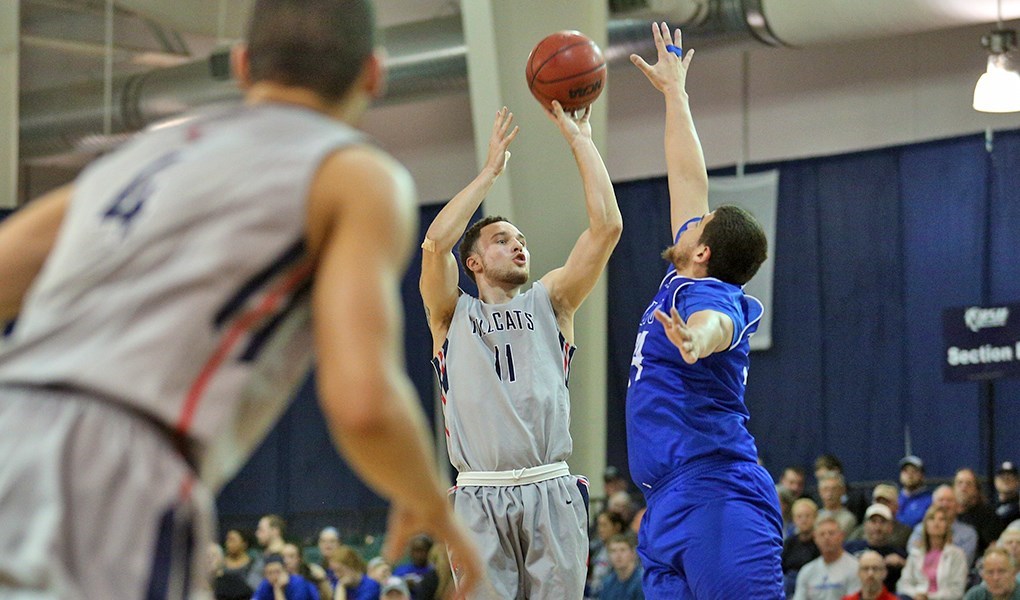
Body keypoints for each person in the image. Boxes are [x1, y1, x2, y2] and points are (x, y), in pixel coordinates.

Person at [0, 1, 482, 597]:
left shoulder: (133, 158)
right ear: (374, 73)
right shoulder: (354, 174)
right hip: (114, 467)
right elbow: (363, 402)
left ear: (242, 64)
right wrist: (426, 498)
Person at [420, 59, 622, 599]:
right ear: (475, 264)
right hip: (479, 495)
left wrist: (581, 140)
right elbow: (435, 245)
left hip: (550, 486)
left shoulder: (551, 300)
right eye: (502, 239)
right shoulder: (449, 313)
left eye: (521, 238)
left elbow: (607, 228)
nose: (518, 244)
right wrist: (488, 174)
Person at [624, 22, 781, 599]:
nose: (692, 217)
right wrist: (675, 95)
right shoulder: (685, 272)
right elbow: (688, 177)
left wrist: (695, 339)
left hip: (716, 492)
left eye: (701, 224)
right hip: (665, 503)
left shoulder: (710, 296)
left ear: (704, 250)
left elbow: (716, 327)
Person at [897, 506, 969, 600]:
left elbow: (957, 591)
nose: (936, 523)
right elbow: (903, 584)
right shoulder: (916, 553)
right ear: (925, 525)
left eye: (941, 519)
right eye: (932, 518)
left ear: (947, 525)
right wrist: (917, 594)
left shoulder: (957, 554)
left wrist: (929, 597)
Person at [908, 484, 979, 566]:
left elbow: (962, 563)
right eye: (941, 500)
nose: (945, 504)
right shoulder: (920, 528)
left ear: (957, 506)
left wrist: (927, 552)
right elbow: (913, 554)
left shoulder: (968, 533)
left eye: (949, 500)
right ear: (932, 505)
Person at [843, 503, 907, 591]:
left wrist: (903, 563)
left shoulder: (898, 553)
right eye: (873, 521)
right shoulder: (849, 548)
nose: (877, 527)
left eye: (883, 522)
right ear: (865, 525)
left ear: (890, 527)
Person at [793, 516, 861, 600]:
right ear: (815, 538)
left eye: (831, 533)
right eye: (822, 534)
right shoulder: (806, 571)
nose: (826, 538)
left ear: (841, 536)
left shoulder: (855, 568)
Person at [600, 533, 645, 600]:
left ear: (633, 553)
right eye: (613, 551)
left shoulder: (643, 581)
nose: (618, 555)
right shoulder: (608, 582)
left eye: (623, 550)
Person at [254, 554, 318, 600]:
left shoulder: (299, 583)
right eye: (269, 573)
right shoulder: (265, 584)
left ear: (285, 570)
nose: (274, 576)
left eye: (277, 572)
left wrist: (278, 589)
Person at [899, 456, 934, 528]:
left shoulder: (930, 501)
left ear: (922, 475)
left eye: (914, 471)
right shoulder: (895, 499)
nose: (909, 475)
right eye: (905, 471)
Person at [995, 463, 1020, 530]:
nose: (1006, 478)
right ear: (996, 481)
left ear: (1018, 482)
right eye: (1002, 476)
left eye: (1011, 476)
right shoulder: (990, 507)